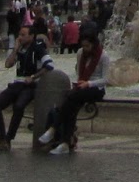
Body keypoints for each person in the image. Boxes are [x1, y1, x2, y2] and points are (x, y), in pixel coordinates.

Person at [46, 21, 109, 155]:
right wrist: (81, 83)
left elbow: (105, 80)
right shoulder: (80, 53)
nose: (84, 48)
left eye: (87, 46)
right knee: (71, 108)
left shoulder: (104, 56)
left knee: (71, 99)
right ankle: (65, 143)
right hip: (82, 87)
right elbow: (80, 73)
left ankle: (54, 128)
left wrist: (88, 84)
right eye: (83, 45)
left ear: (94, 44)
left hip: (96, 89)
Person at [0, 24, 52, 151]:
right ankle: (1, 138)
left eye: (23, 35)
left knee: (19, 106)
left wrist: (33, 77)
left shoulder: (38, 48)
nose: (20, 37)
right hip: (17, 84)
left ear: (32, 36)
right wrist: (15, 49)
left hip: (30, 86)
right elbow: (8, 64)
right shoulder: (20, 49)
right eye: (19, 35)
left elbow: (49, 66)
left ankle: (9, 139)